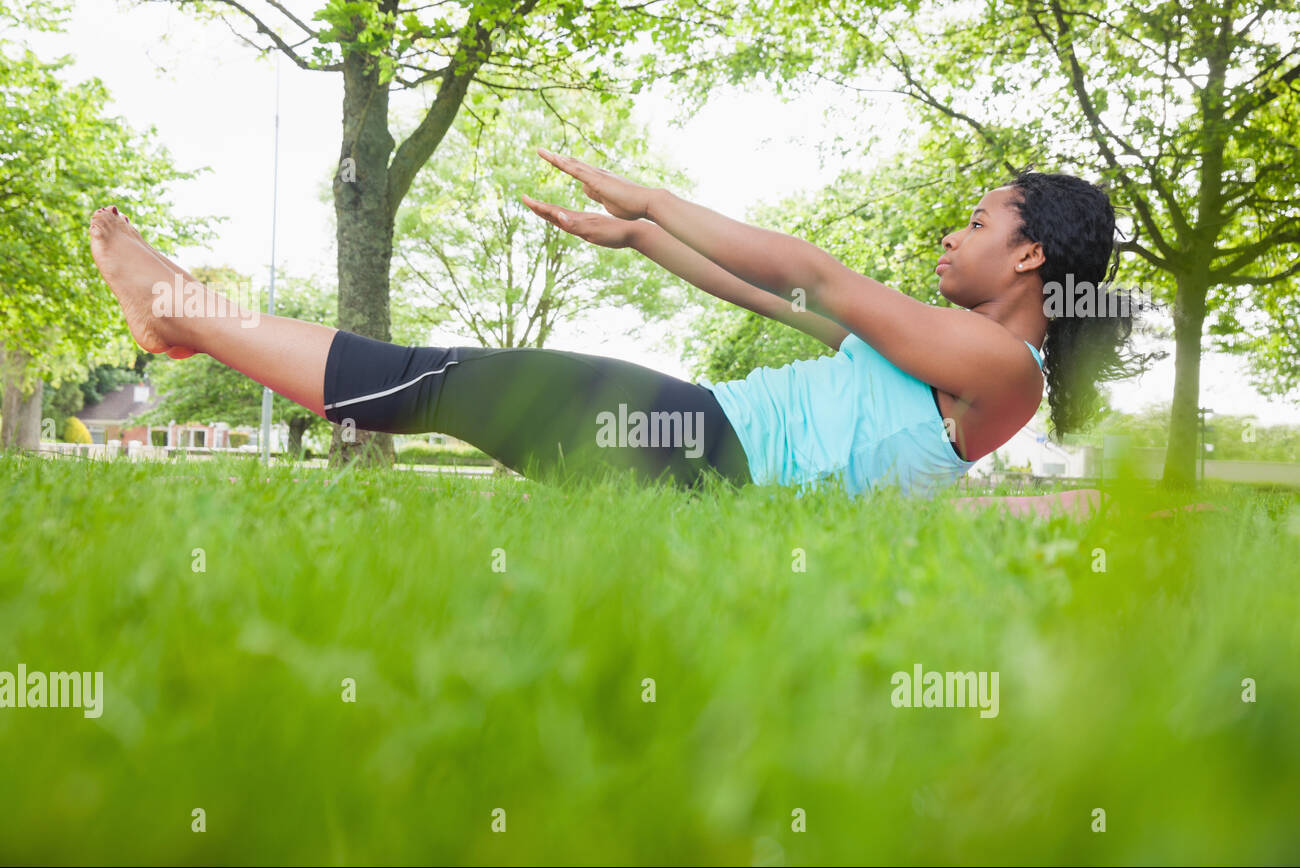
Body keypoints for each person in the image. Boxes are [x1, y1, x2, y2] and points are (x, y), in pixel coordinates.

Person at [87, 152, 1143, 498]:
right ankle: (191, 321)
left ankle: (181, 309)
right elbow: (776, 299)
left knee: (440, 380)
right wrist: (640, 243)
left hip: (706, 456)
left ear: (1030, 254)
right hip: (700, 443)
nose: (953, 237)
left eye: (979, 221)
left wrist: (652, 198)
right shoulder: (952, 358)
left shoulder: (1002, 366)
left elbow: (816, 272)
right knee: (445, 381)